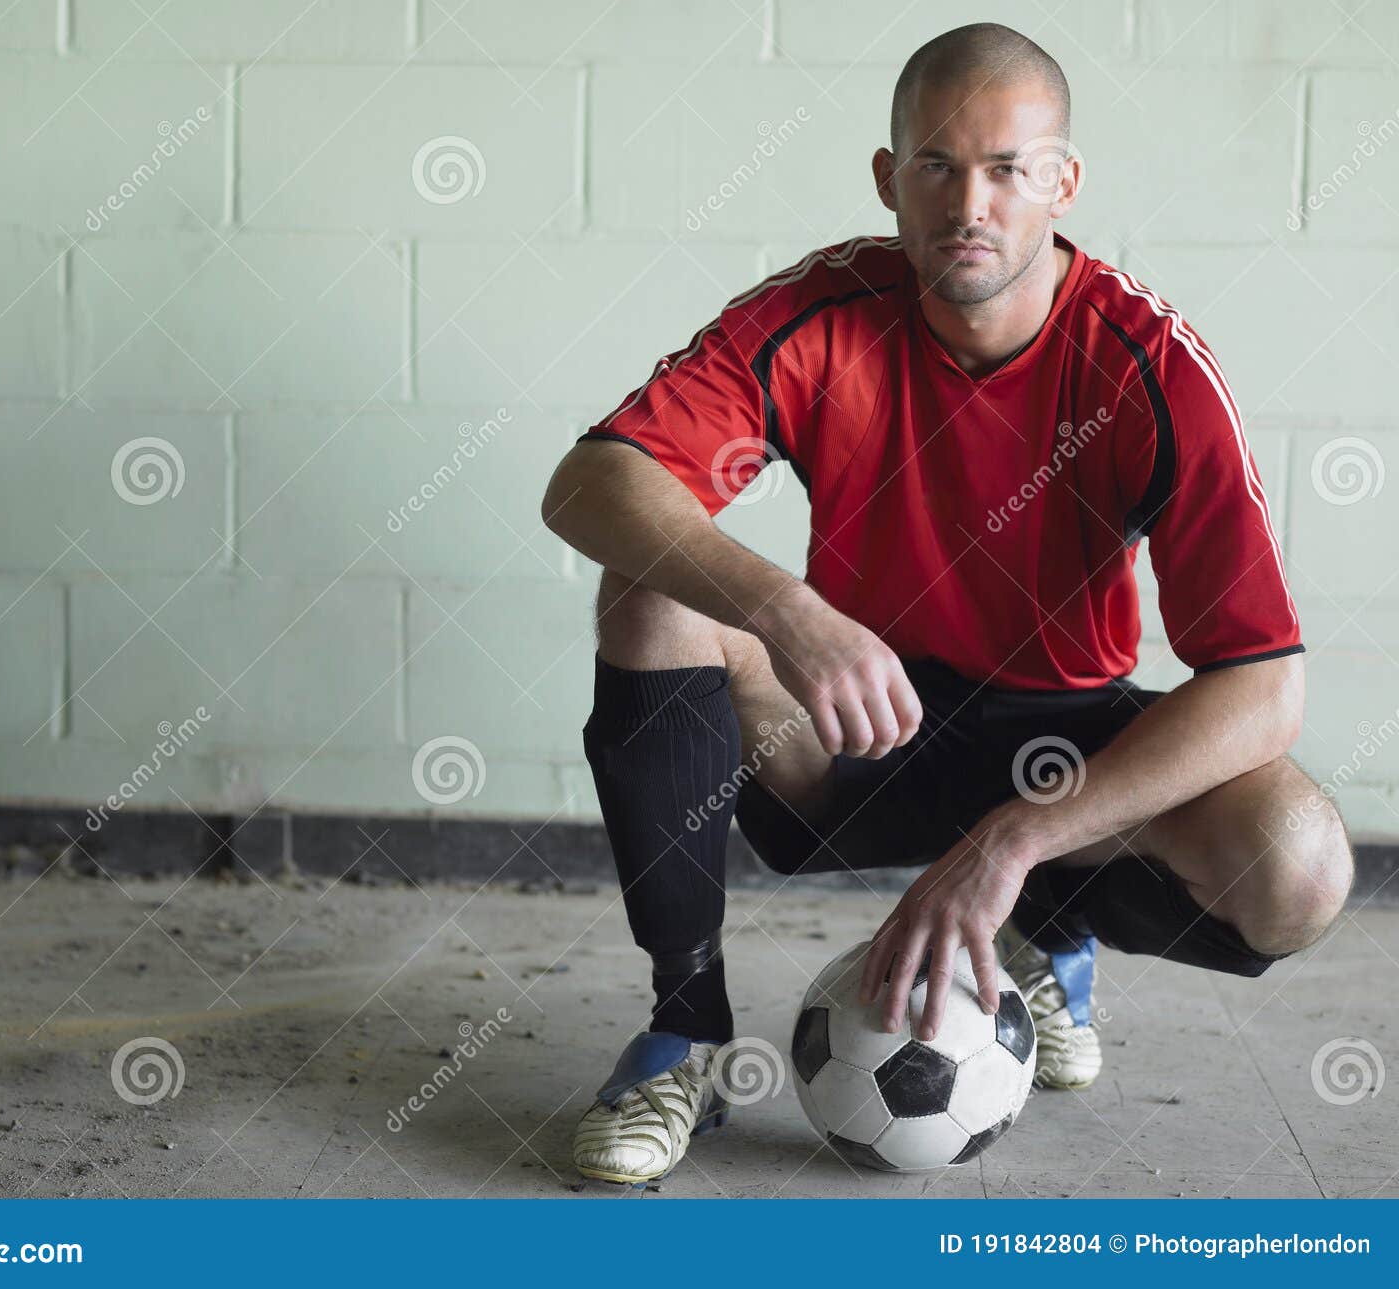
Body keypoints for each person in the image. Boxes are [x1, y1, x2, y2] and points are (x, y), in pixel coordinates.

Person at [541, 22, 1353, 1187]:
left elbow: (1263, 684)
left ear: (1062, 182)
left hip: (1060, 752)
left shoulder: (1149, 365)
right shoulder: (824, 311)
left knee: (1299, 861)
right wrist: (786, 610)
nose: (970, 203)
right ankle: (685, 1032)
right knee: (651, 597)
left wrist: (1013, 840)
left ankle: (1048, 921)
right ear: (889, 177)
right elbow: (590, 481)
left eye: (1008, 169)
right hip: (858, 728)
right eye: (936, 164)